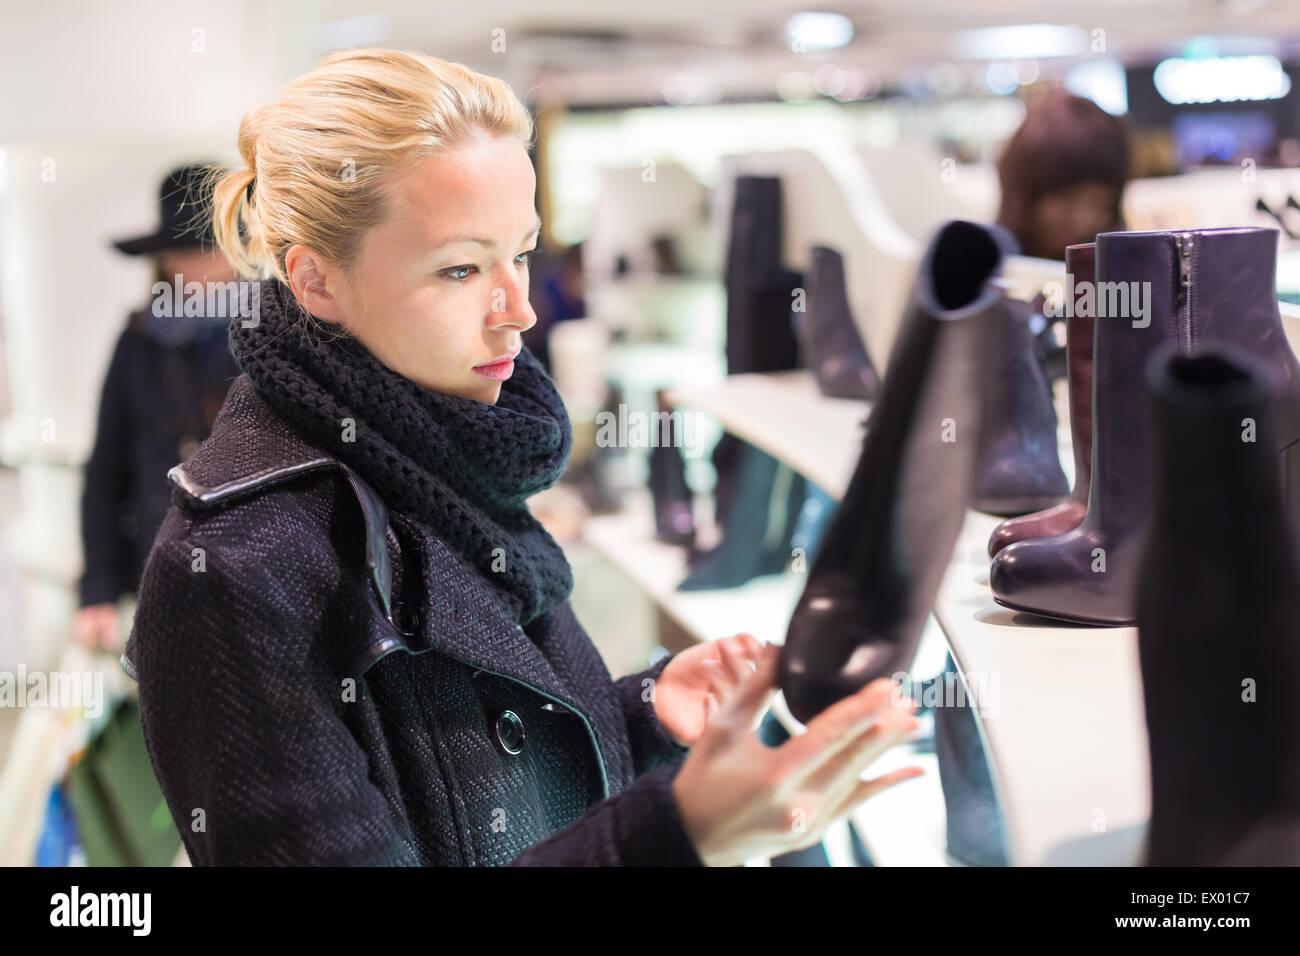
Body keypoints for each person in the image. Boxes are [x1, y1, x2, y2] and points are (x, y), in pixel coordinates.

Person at [120, 48, 922, 866]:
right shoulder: (233, 571)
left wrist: (644, 713)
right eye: (461, 268)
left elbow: (480, 768)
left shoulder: (445, 452)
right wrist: (674, 834)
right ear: (315, 280)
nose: (521, 310)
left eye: (524, 252)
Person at [74, 163, 241, 653]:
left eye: (209, 249)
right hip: (162, 561)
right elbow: (106, 467)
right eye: (182, 251)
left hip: (262, 563)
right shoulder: (138, 341)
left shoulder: (280, 337)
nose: (197, 268)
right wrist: (97, 590)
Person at [995, 88, 1131, 261]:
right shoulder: (986, 273)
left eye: (1101, 203)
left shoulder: (1121, 271)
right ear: (1024, 193)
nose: (1084, 221)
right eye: (1067, 199)